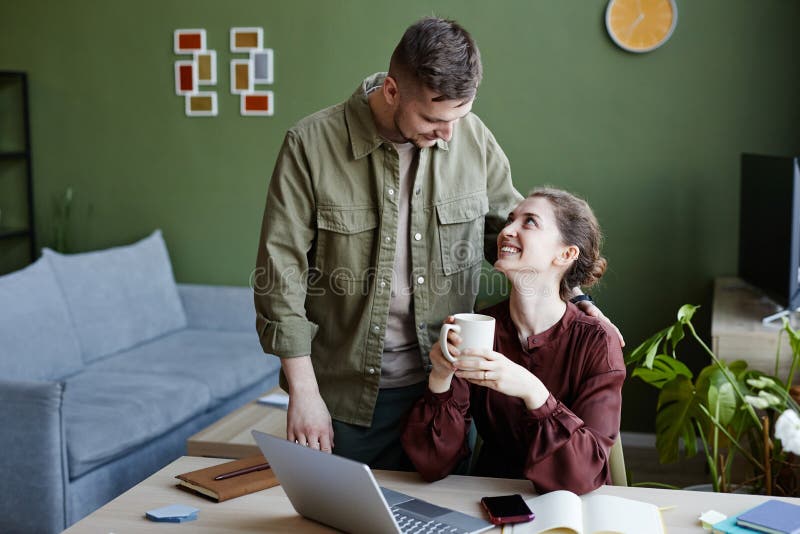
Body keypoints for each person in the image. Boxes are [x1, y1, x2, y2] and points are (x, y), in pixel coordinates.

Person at [253, 17, 620, 470]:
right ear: (392, 91)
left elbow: (511, 238)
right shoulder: (309, 145)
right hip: (341, 401)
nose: (448, 134)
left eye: (459, 116)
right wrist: (304, 393)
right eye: (432, 118)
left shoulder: (471, 137)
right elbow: (278, 278)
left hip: (444, 393)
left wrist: (575, 295)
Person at [401, 187, 625, 495]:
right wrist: (440, 377)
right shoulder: (478, 327)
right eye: (510, 220)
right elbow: (433, 465)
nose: (506, 231)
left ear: (566, 254)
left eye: (529, 222)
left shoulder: (597, 341)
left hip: (571, 510)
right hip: (490, 498)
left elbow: (582, 476)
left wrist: (533, 392)